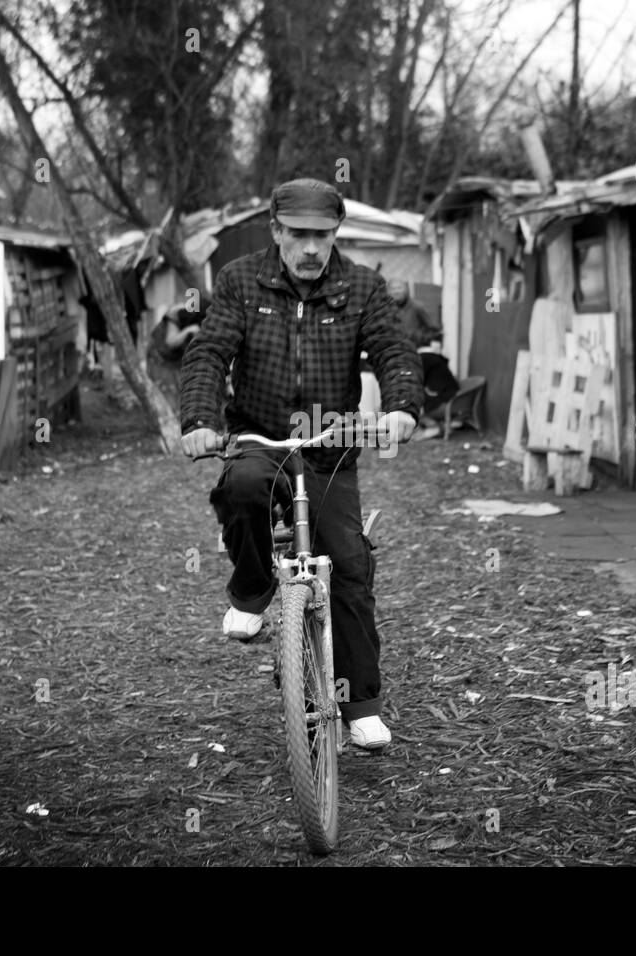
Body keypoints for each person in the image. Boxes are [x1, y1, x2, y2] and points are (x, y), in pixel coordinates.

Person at [180, 178, 423, 750]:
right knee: (242, 488)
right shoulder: (241, 280)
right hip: (258, 437)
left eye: (323, 235)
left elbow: (393, 349)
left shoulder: (362, 286)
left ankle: (359, 703)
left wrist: (402, 406)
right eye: (299, 236)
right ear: (276, 232)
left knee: (349, 562)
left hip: (329, 442)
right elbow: (209, 352)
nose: (312, 248)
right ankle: (252, 587)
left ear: (336, 234)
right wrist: (198, 420)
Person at [388, 278, 458, 439]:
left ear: (406, 290)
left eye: (399, 288)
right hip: (398, 355)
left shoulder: (417, 307)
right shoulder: (388, 309)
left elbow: (435, 330)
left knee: (414, 391)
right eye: (392, 289)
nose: (396, 292)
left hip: (417, 355)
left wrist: (416, 337)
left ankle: (423, 425)